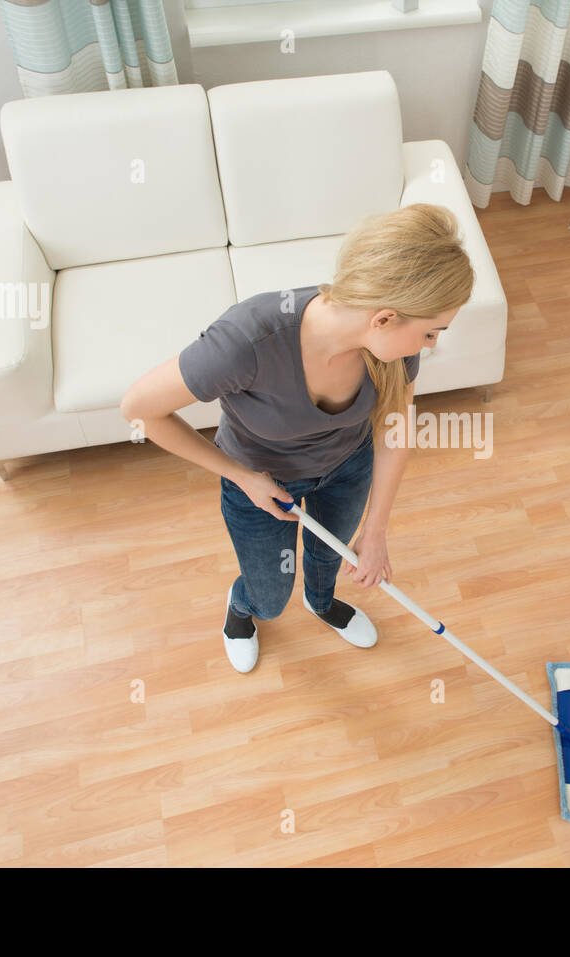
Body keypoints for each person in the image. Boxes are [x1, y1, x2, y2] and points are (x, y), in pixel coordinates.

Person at [120, 203, 474, 673]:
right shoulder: (247, 341)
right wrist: (241, 477)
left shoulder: (386, 352)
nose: (431, 346)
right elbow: (139, 410)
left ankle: (322, 602)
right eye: (431, 333)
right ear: (384, 317)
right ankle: (244, 607)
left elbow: (394, 429)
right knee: (269, 598)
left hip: (347, 469)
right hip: (261, 485)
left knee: (329, 558)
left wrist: (376, 530)